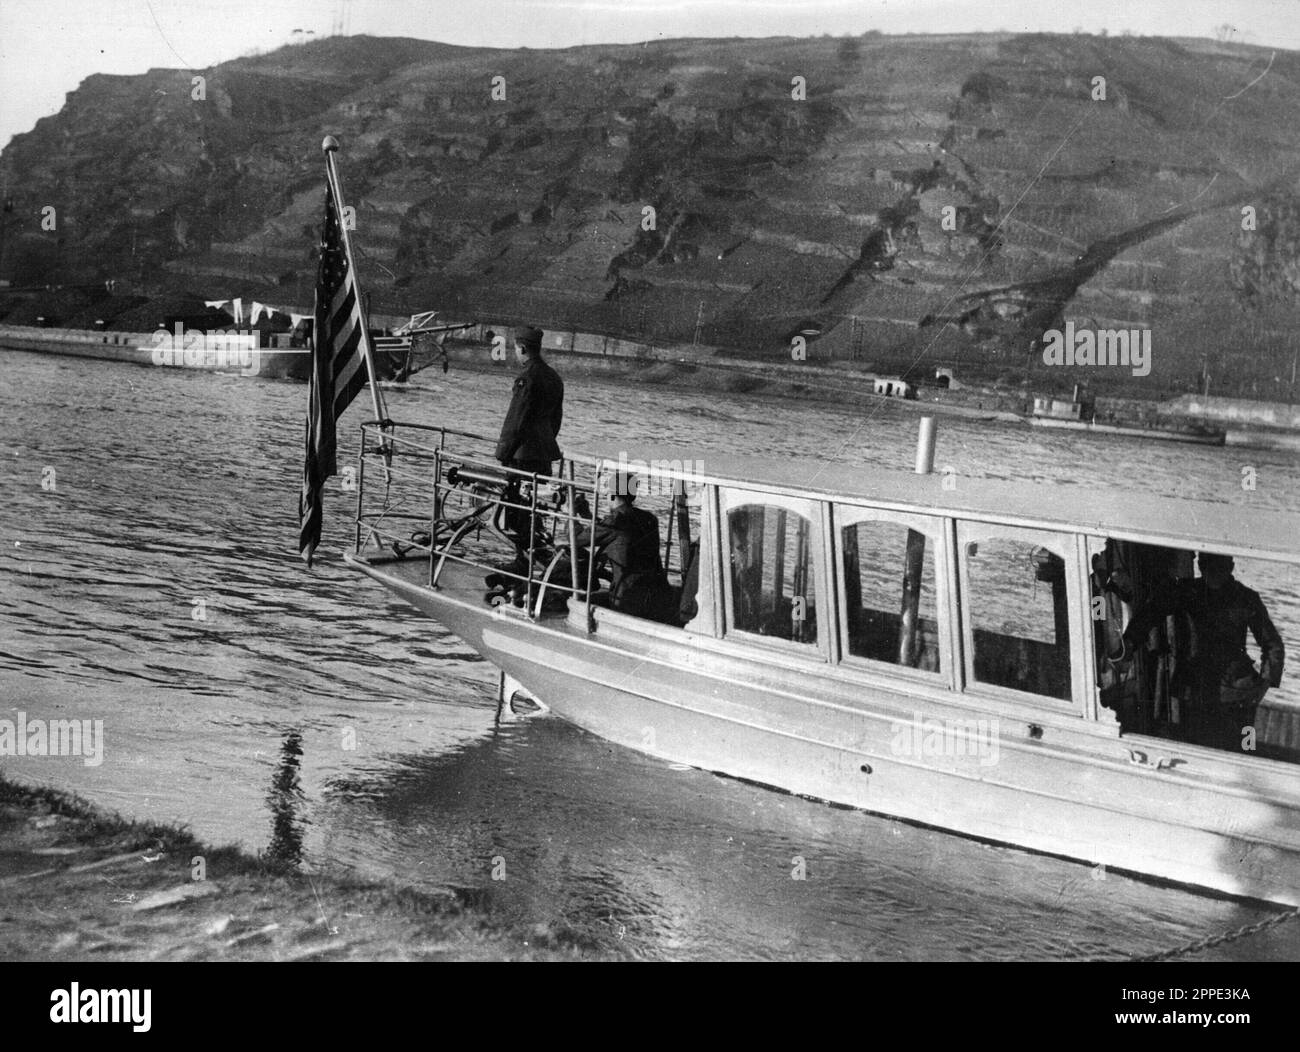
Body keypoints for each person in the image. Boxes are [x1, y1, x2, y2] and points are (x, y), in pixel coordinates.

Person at [1117, 552, 1284, 753]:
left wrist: (1264, 684)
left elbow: (1273, 644)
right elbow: (1151, 613)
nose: (1213, 573)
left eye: (1219, 567)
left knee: (1244, 749)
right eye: (1208, 567)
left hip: (1238, 693)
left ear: (1230, 568)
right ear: (1200, 566)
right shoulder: (1185, 591)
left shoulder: (1247, 598)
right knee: (1195, 749)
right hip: (1194, 689)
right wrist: (1127, 644)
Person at [494, 325, 564, 565]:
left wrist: (503, 452)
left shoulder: (527, 377)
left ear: (522, 348)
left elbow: (516, 419)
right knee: (534, 510)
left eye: (515, 348)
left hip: (522, 456)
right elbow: (556, 420)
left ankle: (523, 562)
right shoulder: (554, 377)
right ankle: (531, 560)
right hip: (543, 454)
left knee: (516, 511)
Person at [575, 474, 673, 620]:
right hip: (654, 593)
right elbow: (614, 531)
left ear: (613, 496)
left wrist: (570, 512)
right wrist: (587, 515)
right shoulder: (649, 519)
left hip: (626, 598)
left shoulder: (614, 522)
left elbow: (576, 539)